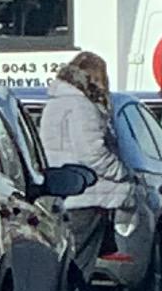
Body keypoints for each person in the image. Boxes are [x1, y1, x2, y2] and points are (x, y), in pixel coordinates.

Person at [35, 49, 119, 196]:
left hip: (62, 184)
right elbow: (92, 154)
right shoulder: (82, 106)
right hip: (88, 189)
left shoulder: (56, 102)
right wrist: (121, 172)